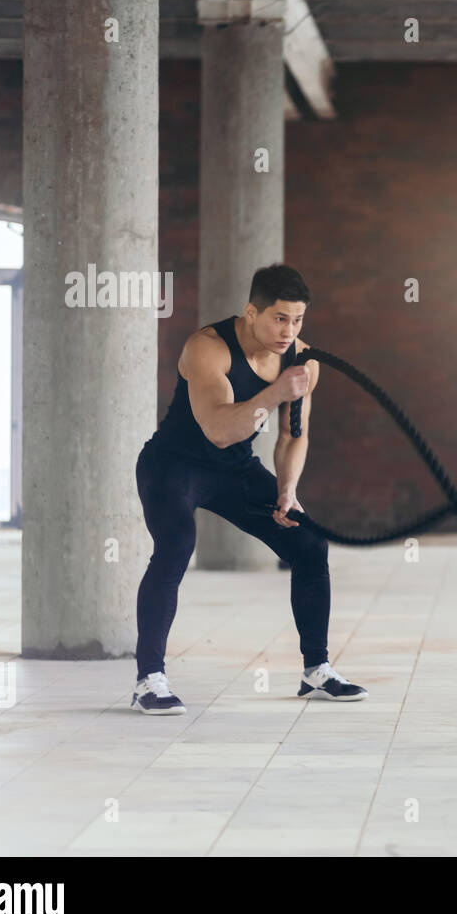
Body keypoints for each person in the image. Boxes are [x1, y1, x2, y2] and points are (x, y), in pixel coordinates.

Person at [129, 264, 366, 714]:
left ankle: (316, 670)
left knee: (310, 544)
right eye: (279, 318)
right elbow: (219, 430)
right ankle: (148, 680)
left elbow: (293, 435)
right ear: (251, 312)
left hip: (233, 470)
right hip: (173, 466)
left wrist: (287, 490)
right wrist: (274, 392)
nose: (289, 331)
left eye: (297, 320)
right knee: (176, 545)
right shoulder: (207, 347)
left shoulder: (302, 361)